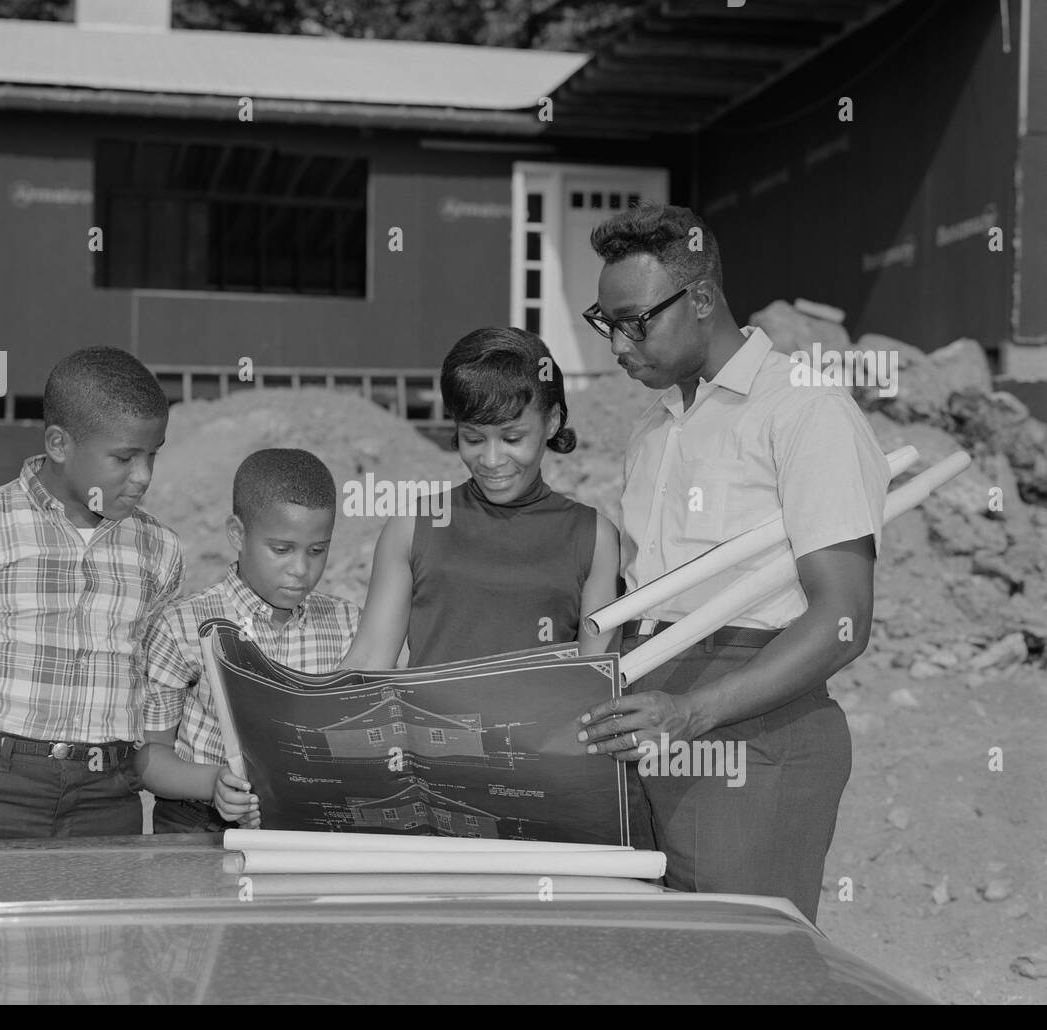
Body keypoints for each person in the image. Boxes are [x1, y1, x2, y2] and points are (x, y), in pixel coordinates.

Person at [572, 203, 889, 923]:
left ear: (703, 298)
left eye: (636, 321)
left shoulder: (804, 410)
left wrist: (691, 711)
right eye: (606, 321)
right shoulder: (653, 429)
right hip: (653, 733)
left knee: (746, 974)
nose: (618, 343)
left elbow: (844, 617)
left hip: (753, 741)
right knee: (669, 967)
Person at [0, 345, 254, 841]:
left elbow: (150, 683)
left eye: (152, 455)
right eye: (124, 458)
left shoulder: (160, 550)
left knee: (101, 920)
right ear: (60, 444)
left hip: (108, 797)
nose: (143, 476)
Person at [340, 327, 620, 670]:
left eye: (512, 438)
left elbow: (596, 675)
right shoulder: (413, 527)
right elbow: (369, 659)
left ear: (551, 422)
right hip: (433, 725)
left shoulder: (593, 537)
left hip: (548, 725)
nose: (491, 460)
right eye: (473, 438)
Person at [143, 448, 360, 833]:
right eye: (281, 550)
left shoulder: (346, 625)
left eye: (317, 551)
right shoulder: (183, 624)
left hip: (310, 827)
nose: (300, 570)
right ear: (237, 534)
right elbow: (149, 756)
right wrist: (213, 783)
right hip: (198, 825)